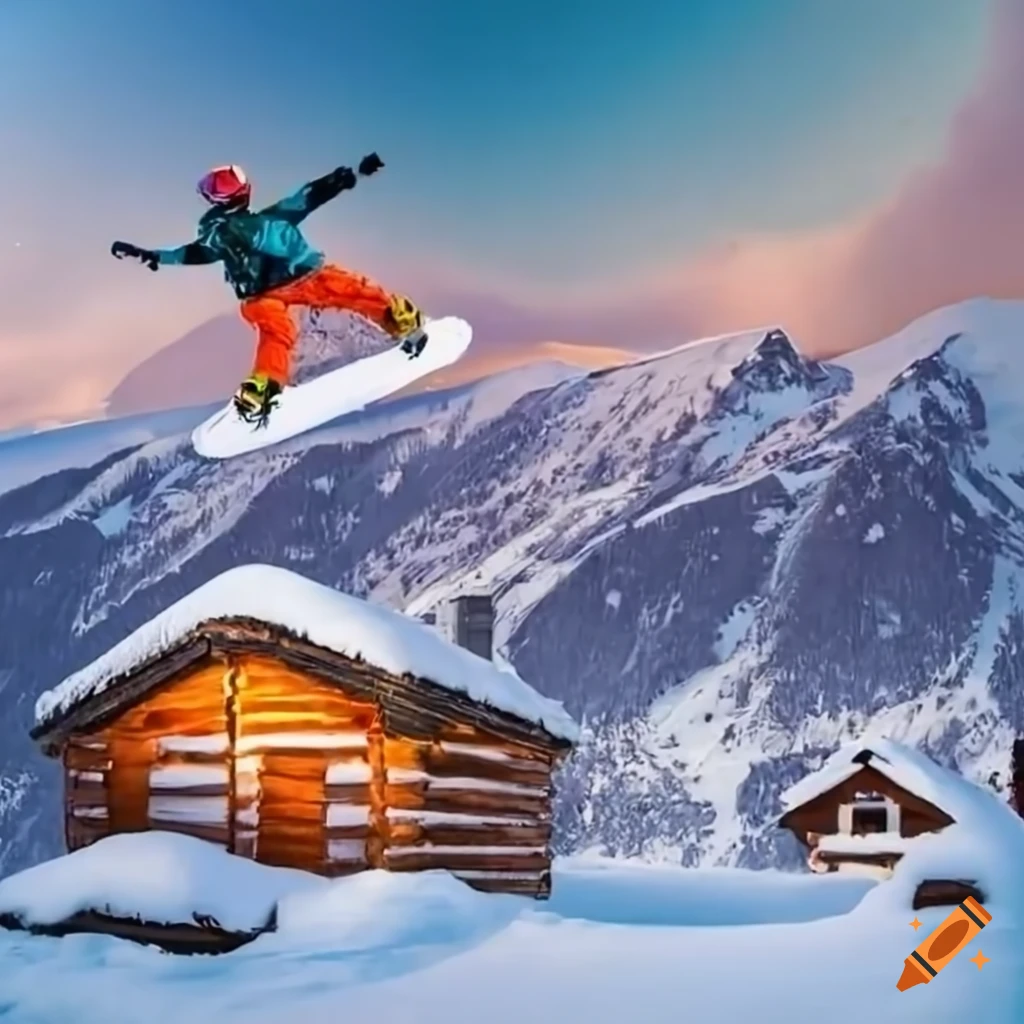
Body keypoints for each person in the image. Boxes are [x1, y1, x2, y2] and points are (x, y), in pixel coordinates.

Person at [111, 154, 425, 424]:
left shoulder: (221, 231)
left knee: (286, 327)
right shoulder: (234, 228)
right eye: (214, 187)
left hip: (271, 289)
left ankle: (263, 387)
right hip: (296, 278)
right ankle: (399, 320)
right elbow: (309, 196)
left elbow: (197, 252)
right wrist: (153, 255)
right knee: (345, 294)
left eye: (220, 187)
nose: (214, 193)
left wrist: (154, 256)